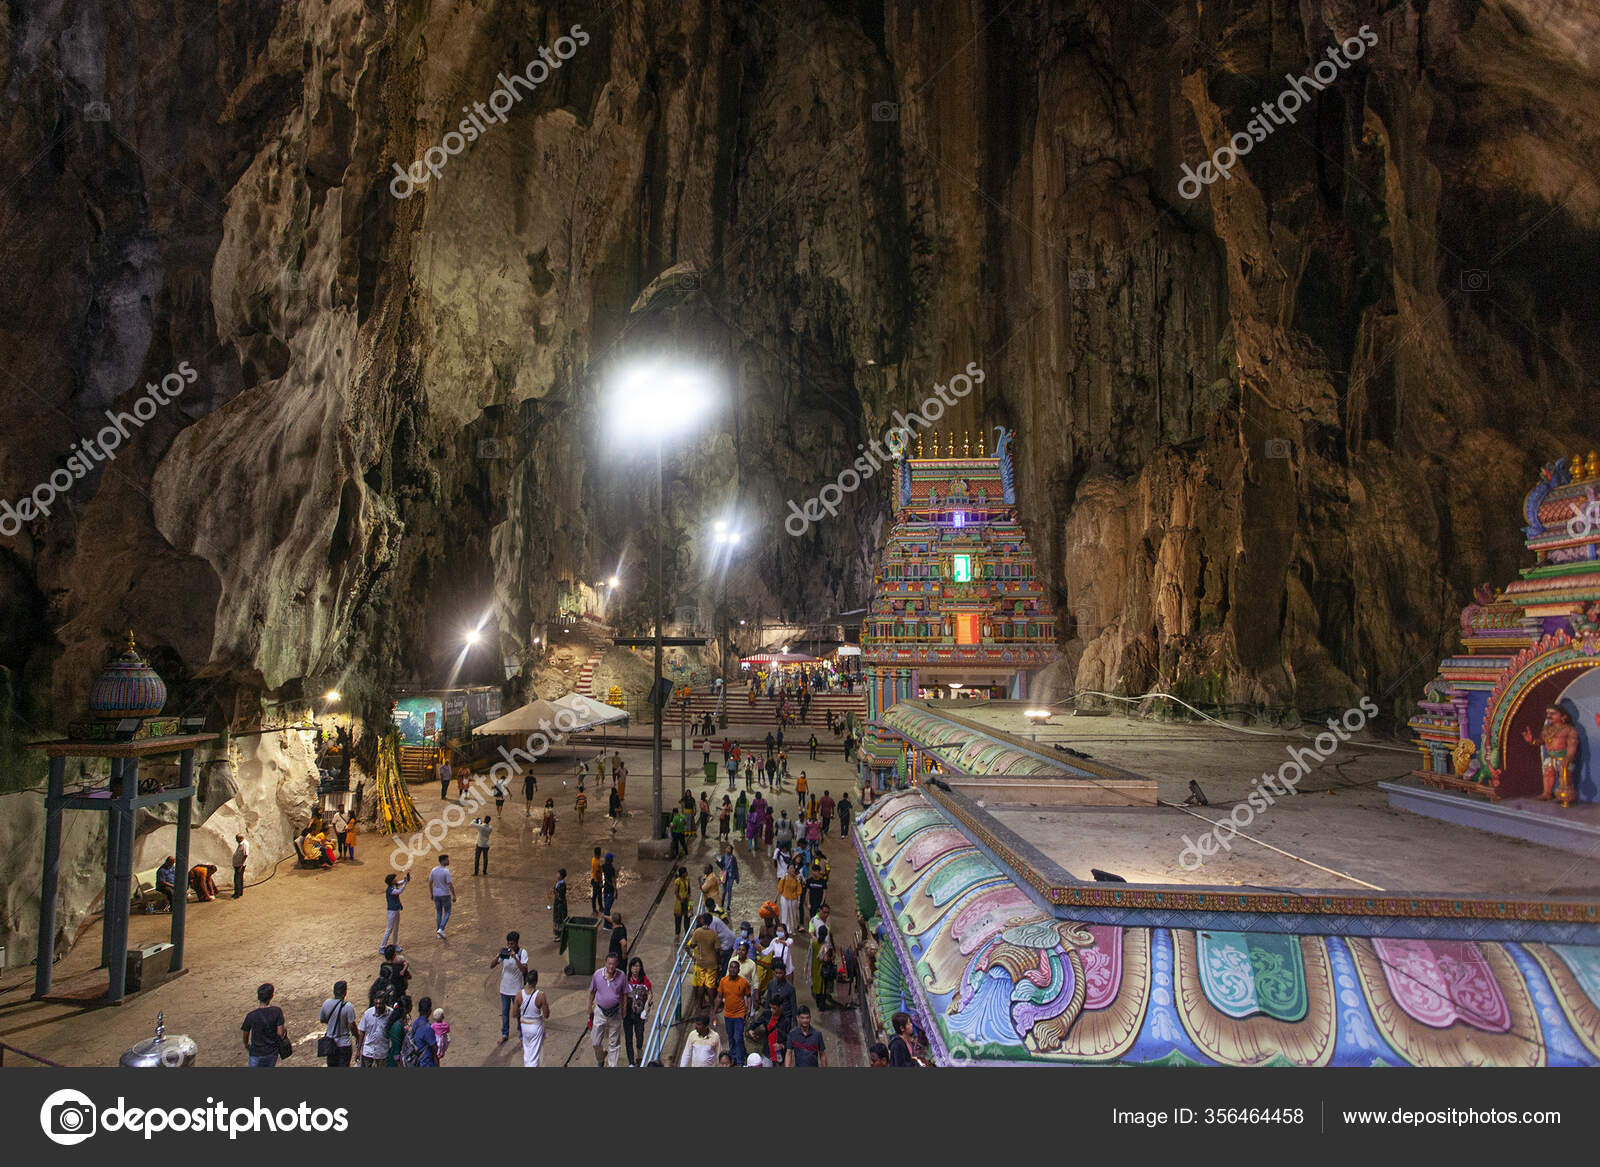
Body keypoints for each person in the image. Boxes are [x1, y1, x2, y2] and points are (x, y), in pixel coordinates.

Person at [588, 951, 627, 1067]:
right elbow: (591, 992)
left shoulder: (622, 976)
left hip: (615, 1013)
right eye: (609, 964)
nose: (611, 966)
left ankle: (612, 1065)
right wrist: (589, 1007)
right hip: (600, 1012)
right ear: (605, 963)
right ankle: (600, 1058)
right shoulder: (597, 975)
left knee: (614, 1042)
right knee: (595, 1041)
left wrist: (624, 1009)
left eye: (614, 964)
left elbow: (625, 993)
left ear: (617, 964)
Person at [493, 931, 529, 1043]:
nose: (510, 946)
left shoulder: (522, 953)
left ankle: (522, 1035)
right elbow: (492, 965)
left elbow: (524, 970)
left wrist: (515, 958)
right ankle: (504, 1033)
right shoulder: (505, 953)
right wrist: (498, 956)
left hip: (516, 990)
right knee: (504, 1012)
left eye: (512, 944)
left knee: (518, 1013)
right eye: (509, 944)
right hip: (504, 989)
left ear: (517, 943)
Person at [242, 982, 286, 1067]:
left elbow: (245, 1033)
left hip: (256, 1052)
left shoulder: (251, 1015)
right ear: (271, 997)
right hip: (271, 1051)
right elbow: (280, 1033)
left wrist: (247, 1045)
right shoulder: (277, 1011)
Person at [718, 957, 751, 1065]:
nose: (733, 969)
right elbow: (719, 997)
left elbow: (748, 996)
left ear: (738, 970)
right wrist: (713, 1011)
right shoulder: (723, 981)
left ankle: (740, 1061)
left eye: (735, 968)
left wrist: (748, 1010)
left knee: (738, 1038)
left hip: (739, 1015)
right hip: (728, 1015)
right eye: (731, 967)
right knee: (731, 1038)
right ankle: (732, 1058)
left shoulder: (743, 982)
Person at [689, 912, 722, 1015]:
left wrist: (693, 954)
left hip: (700, 962)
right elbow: (717, 950)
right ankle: (712, 1007)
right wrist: (719, 963)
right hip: (711, 963)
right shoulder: (714, 933)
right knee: (710, 986)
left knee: (700, 985)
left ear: (703, 920)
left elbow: (691, 945)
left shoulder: (697, 932)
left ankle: (699, 1005)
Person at [623, 956, 653, 1066]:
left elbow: (650, 994)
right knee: (628, 1038)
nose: (636, 969)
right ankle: (631, 1062)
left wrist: (646, 1009)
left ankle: (639, 1051)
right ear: (630, 967)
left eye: (638, 966)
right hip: (627, 1013)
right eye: (634, 966)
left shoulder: (644, 980)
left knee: (639, 1035)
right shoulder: (625, 980)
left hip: (639, 1013)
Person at [516, 968, 549, 1066]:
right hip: (535, 1026)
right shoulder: (540, 995)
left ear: (526, 980)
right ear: (536, 981)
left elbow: (514, 1013)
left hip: (524, 1025)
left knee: (527, 1052)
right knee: (535, 1054)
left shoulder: (519, 994)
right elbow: (546, 1014)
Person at [763, 956, 797, 1037]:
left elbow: (794, 1006)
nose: (778, 975)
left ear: (785, 973)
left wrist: (795, 1023)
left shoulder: (790, 988)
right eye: (776, 973)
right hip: (773, 1018)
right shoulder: (771, 984)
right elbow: (768, 1001)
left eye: (780, 973)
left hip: (785, 1019)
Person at [357, 995, 392, 1066]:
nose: (378, 1006)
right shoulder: (368, 1013)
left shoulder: (391, 1014)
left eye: (381, 1003)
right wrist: (358, 1050)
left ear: (385, 1002)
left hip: (382, 1052)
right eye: (376, 1003)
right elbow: (362, 1032)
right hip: (368, 1051)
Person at [408, 995, 439, 1066]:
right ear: (429, 1011)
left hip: (417, 1062)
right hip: (426, 1062)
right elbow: (435, 1048)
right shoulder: (427, 1028)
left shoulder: (415, 1023)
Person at [428, 854, 455, 938]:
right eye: (447, 860)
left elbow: (430, 882)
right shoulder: (446, 871)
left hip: (436, 894)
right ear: (443, 861)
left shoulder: (434, 870)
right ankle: (441, 929)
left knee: (439, 912)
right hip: (445, 894)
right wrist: (454, 895)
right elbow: (450, 884)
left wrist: (431, 894)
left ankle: (439, 932)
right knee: (447, 912)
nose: (448, 861)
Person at [382, 873, 407, 952]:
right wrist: (405, 883)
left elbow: (400, 882)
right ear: (391, 881)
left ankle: (395, 945)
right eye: (394, 879)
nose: (396, 879)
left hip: (396, 910)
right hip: (391, 912)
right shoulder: (390, 890)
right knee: (389, 929)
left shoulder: (394, 885)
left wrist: (405, 879)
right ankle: (382, 947)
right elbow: (399, 891)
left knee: (396, 929)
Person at [777, 865, 802, 935]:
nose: (792, 869)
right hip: (785, 897)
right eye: (791, 868)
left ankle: (791, 929)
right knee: (785, 914)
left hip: (793, 899)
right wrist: (778, 896)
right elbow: (779, 887)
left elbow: (799, 890)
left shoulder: (797, 879)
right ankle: (784, 930)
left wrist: (799, 900)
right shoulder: (784, 877)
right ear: (788, 870)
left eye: (793, 868)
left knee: (793, 914)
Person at [719, 843, 740, 915]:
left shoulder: (733, 858)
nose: (727, 849)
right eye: (727, 848)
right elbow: (721, 866)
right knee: (724, 890)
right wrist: (717, 861)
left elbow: (736, 868)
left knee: (729, 890)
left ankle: (728, 906)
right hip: (724, 875)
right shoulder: (723, 857)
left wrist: (737, 878)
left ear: (731, 850)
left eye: (729, 848)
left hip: (731, 876)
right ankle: (722, 901)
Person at [551, 868, 568, 941]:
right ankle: (558, 935)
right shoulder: (559, 883)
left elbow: (560, 895)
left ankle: (561, 936)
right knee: (557, 919)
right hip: (557, 904)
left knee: (560, 919)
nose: (556, 875)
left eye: (558, 874)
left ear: (561, 876)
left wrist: (555, 891)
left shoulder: (562, 884)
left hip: (560, 905)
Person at [601, 851, 619, 916]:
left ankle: (606, 916)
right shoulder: (611, 869)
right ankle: (607, 920)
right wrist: (615, 890)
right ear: (611, 860)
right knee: (608, 906)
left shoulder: (603, 866)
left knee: (606, 903)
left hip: (605, 887)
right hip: (610, 889)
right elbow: (613, 880)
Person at [231, 834, 249, 898]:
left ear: (241, 838)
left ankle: (237, 894)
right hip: (238, 864)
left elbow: (246, 855)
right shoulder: (242, 843)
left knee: (237, 879)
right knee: (239, 878)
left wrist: (241, 865)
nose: (236, 840)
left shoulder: (244, 844)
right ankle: (239, 892)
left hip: (240, 865)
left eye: (237, 839)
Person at [590, 846, 604, 912]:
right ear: (599, 854)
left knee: (598, 895)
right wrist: (600, 882)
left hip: (595, 880)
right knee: (596, 895)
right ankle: (595, 908)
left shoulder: (593, 859)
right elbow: (597, 873)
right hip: (596, 881)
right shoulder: (596, 862)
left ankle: (600, 907)